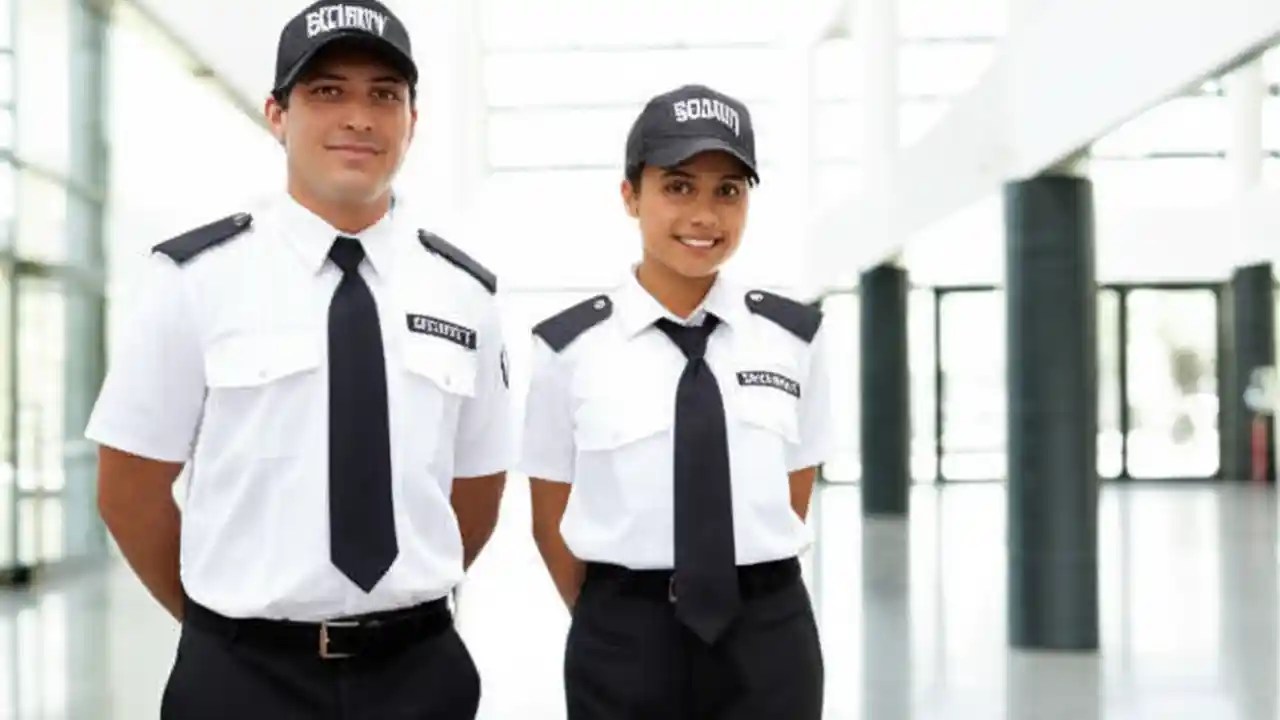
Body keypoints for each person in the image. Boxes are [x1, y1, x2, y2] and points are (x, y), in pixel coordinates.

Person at [86, 1, 508, 717]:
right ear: (277, 114)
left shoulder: (464, 293)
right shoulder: (196, 280)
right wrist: (224, 625)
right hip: (243, 678)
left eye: (385, 94)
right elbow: (128, 487)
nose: (358, 116)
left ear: (412, 119)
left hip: (418, 676)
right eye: (327, 91)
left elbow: (475, 489)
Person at [521, 84, 831, 719]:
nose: (705, 215)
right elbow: (550, 515)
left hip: (769, 635)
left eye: (729, 192)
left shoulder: (793, 339)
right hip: (623, 638)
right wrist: (619, 615)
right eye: (679, 187)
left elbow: (794, 489)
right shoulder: (568, 349)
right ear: (631, 195)